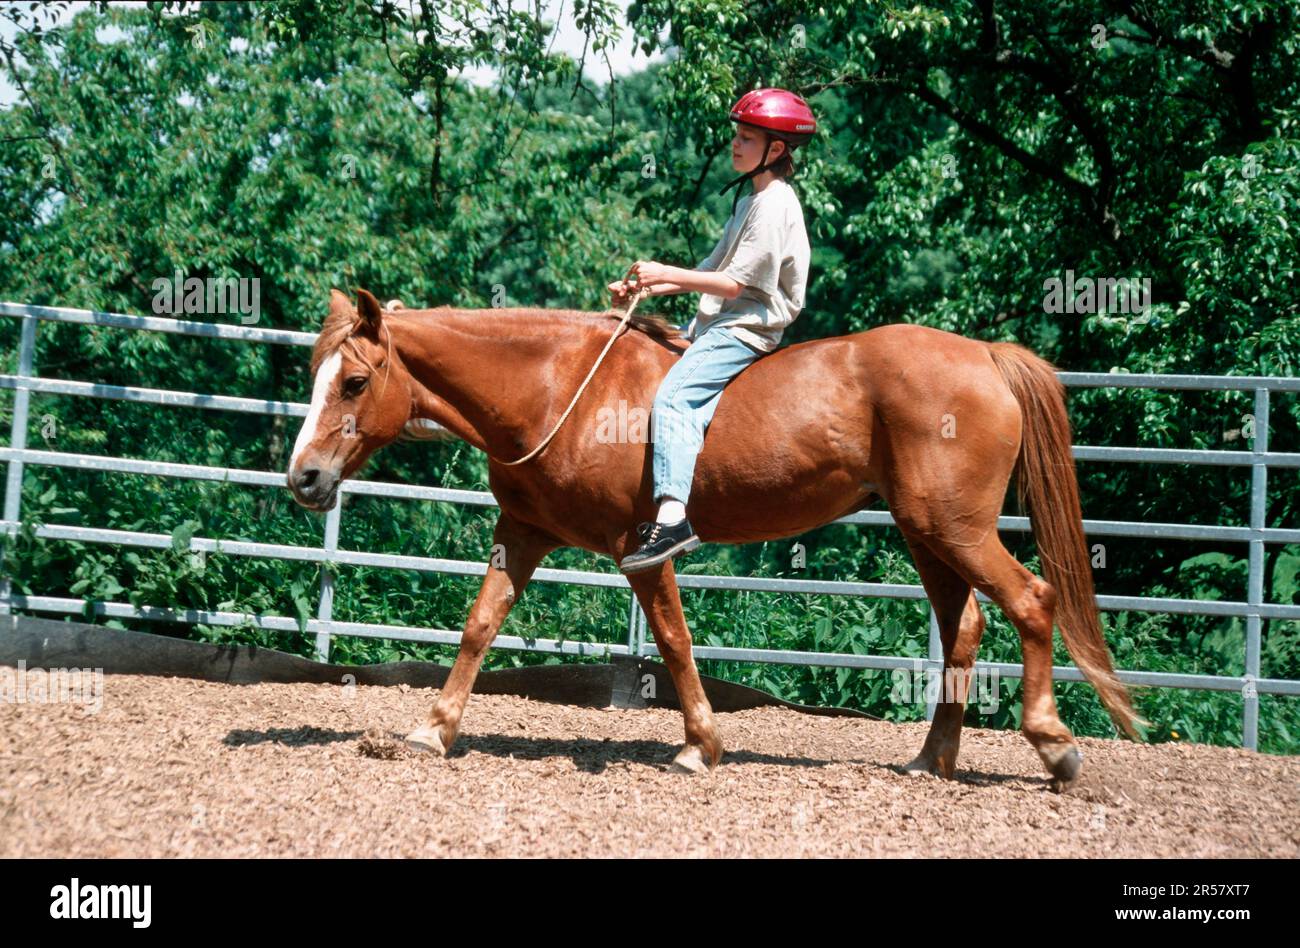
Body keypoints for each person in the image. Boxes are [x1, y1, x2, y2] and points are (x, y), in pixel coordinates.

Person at [613, 87, 816, 574]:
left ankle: (672, 516)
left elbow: (733, 283)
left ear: (776, 149)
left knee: (674, 398)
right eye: (737, 136)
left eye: (747, 138)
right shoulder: (750, 200)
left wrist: (667, 271)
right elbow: (711, 266)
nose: (736, 145)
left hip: (745, 328)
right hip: (719, 320)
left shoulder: (774, 205)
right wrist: (647, 286)